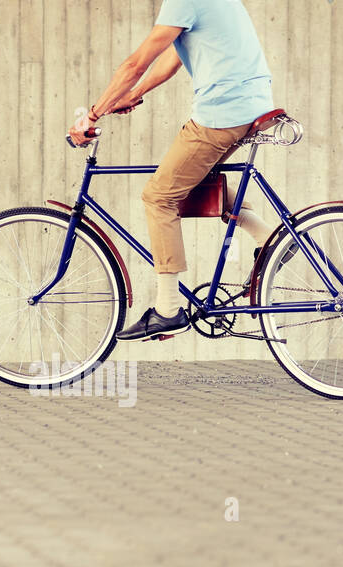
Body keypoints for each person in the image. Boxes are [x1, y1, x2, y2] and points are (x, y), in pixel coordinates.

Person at [69, 0, 277, 342]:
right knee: (194, 184)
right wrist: (134, 95)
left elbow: (136, 63)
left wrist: (92, 115)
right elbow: (174, 58)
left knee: (159, 197)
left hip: (221, 114)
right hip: (250, 107)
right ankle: (268, 238)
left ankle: (168, 310)